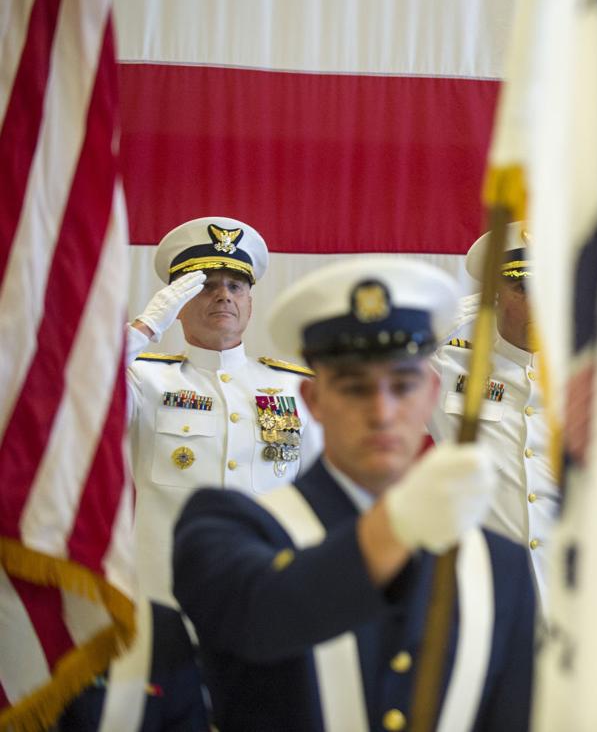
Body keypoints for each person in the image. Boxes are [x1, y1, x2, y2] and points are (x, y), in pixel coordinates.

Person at [172, 256, 535, 732]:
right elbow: (261, 617)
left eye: (402, 385)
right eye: (355, 388)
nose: (381, 412)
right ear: (314, 401)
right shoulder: (228, 528)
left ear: (431, 394)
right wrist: (399, 522)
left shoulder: (500, 564)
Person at [78, 217, 323, 730]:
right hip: (167, 610)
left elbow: (325, 496)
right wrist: (145, 328)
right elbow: (78, 391)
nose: (223, 296)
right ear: (179, 300)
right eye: (206, 285)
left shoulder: (296, 390)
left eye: (236, 285)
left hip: (267, 606)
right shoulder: (144, 378)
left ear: (251, 302)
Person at [429, 223, 558, 609]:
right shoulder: (448, 368)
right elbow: (385, 362)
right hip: (485, 595)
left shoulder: (589, 377)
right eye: (524, 289)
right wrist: (468, 308)